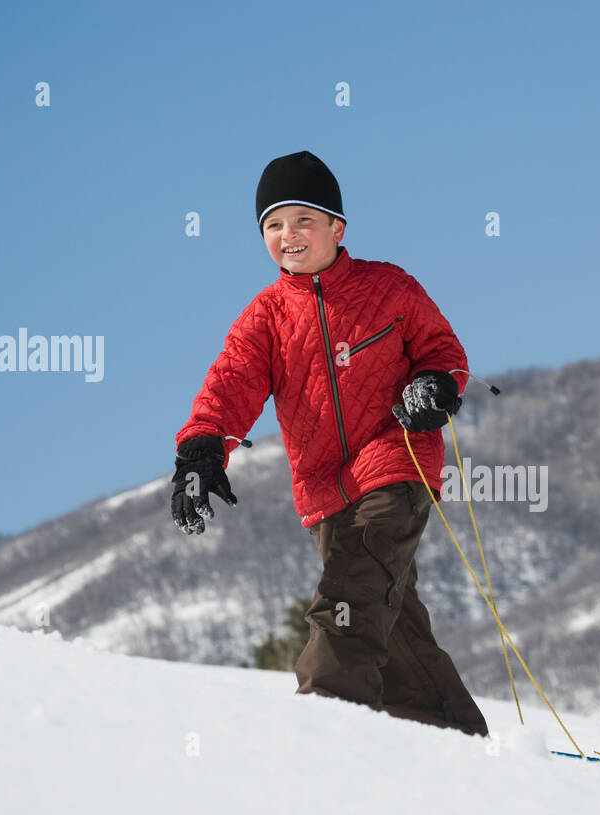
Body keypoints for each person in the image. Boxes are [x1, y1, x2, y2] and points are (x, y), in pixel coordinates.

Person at [170, 150, 489, 738]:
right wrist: (203, 447)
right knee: (391, 620)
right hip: (325, 492)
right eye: (273, 225)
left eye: (302, 220)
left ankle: (325, 718)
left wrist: (436, 384)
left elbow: (443, 351)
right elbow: (230, 384)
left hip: (398, 462)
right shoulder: (264, 319)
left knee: (350, 593)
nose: (287, 235)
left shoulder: (388, 287)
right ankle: (449, 731)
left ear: (337, 228)